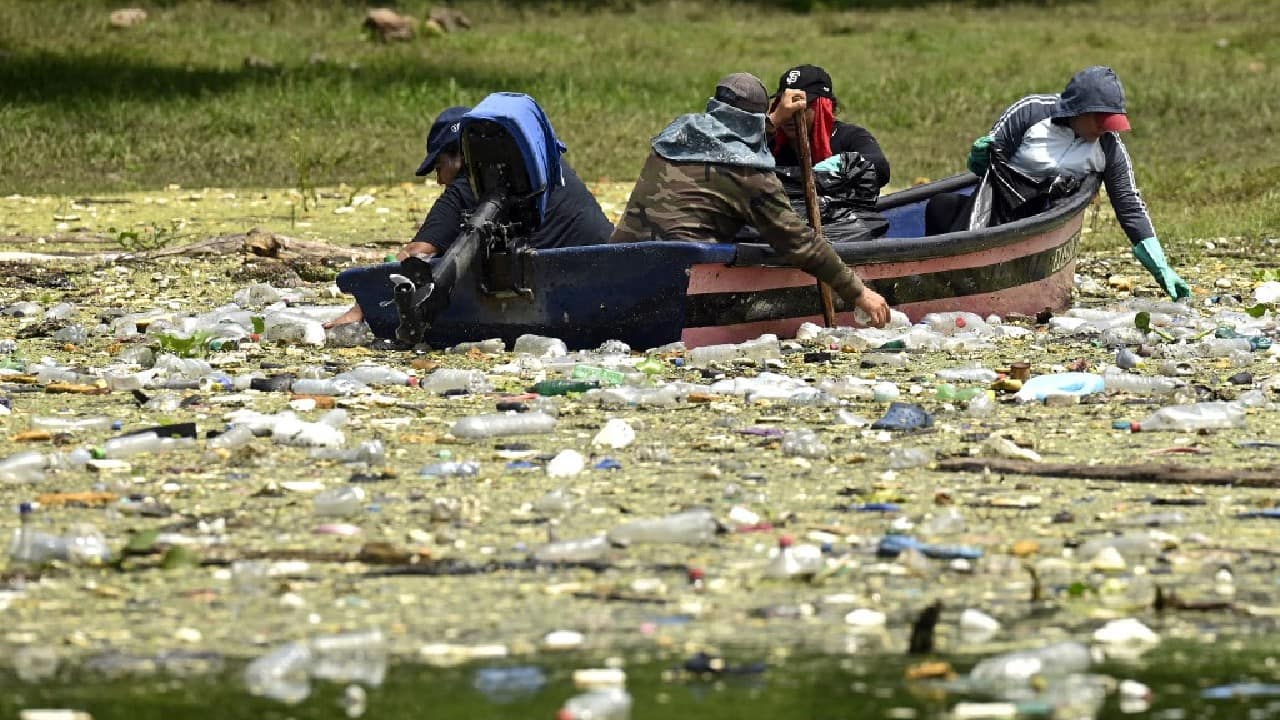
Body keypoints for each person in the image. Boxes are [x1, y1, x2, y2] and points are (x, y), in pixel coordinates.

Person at [609, 72, 891, 327]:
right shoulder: (750, 174)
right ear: (755, 118)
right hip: (678, 282)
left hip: (618, 268)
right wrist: (859, 293)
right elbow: (800, 242)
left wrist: (775, 119)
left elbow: (728, 133)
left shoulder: (678, 134)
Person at [325, 104, 613, 328]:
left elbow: (416, 255)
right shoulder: (543, 165)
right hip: (609, 266)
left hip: (563, 291)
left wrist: (364, 307)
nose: (440, 180)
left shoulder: (471, 183)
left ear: (460, 156)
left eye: (438, 167)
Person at [924, 66, 1190, 300]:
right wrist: (979, 158)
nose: (1105, 129)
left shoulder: (1108, 146)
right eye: (1100, 121)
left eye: (1111, 123)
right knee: (941, 205)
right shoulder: (1029, 112)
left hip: (1045, 222)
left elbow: (1129, 204)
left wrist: (1161, 267)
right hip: (999, 212)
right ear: (1078, 110)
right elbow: (988, 166)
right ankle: (938, 281)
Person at [769, 64, 890, 188]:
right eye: (784, 107)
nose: (789, 115)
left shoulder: (849, 137)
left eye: (799, 108)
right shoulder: (769, 142)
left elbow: (880, 168)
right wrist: (773, 120)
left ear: (823, 107)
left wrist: (840, 164)